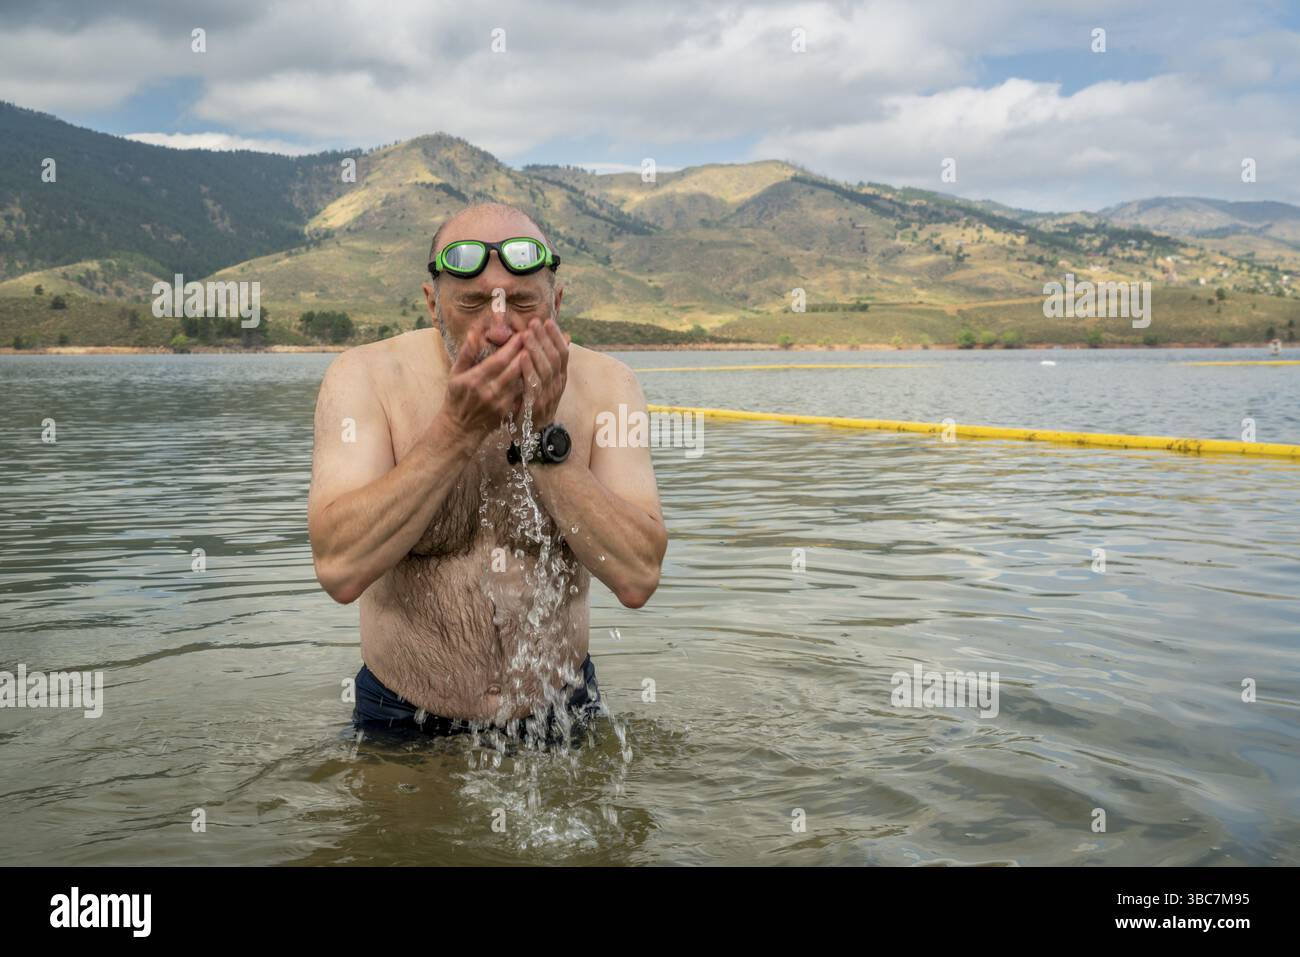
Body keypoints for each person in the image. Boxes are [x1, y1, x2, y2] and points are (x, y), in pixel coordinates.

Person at [307, 202, 666, 740]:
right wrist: (454, 431)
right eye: (472, 303)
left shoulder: (610, 386)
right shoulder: (365, 377)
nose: (499, 326)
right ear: (432, 304)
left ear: (557, 302)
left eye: (523, 302)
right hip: (403, 719)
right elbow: (338, 568)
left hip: (560, 712)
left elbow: (638, 577)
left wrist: (542, 441)